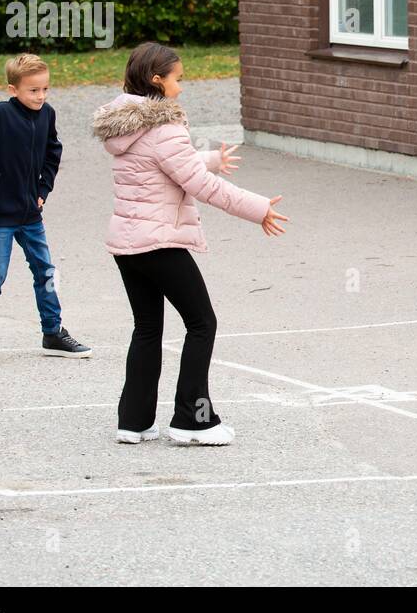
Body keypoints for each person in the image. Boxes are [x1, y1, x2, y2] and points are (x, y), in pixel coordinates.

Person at [91, 42, 288, 445]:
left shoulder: (129, 124)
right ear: (156, 80)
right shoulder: (163, 126)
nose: (182, 87)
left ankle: (133, 421)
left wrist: (211, 158)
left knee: (147, 327)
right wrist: (257, 207)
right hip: (160, 243)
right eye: (177, 79)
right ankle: (192, 420)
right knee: (202, 323)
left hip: (128, 245)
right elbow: (196, 183)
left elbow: (164, 162)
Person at [0, 53, 91, 364]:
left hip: (31, 215)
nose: (40, 96)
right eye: (33, 90)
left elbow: (52, 152)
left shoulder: (47, 114)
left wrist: (43, 189)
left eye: (45, 89)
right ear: (13, 89)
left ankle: (53, 333)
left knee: (45, 272)